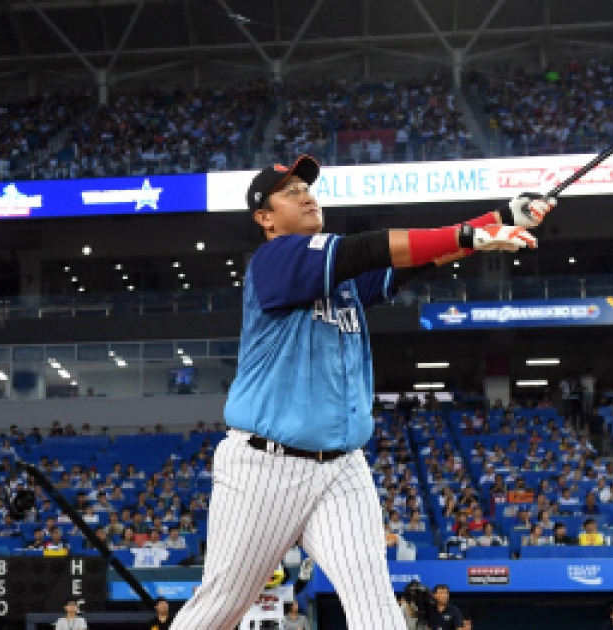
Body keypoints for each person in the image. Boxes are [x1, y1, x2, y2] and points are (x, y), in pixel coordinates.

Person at [167, 155, 551, 630]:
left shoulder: (337, 278)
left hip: (342, 467)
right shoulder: (275, 259)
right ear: (265, 218)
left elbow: (411, 260)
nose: (306, 195)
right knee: (220, 608)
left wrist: (501, 219)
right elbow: (366, 250)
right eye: (290, 192)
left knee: (376, 605)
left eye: (307, 188)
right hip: (265, 468)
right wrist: (471, 235)